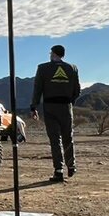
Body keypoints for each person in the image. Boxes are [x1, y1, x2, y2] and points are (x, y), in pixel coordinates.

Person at [30, 44, 81, 182]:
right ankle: (71, 166)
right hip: (66, 106)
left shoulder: (43, 68)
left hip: (50, 106)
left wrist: (34, 106)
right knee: (68, 137)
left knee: (55, 139)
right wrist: (70, 102)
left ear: (53, 54)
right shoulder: (72, 68)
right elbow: (77, 90)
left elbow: (38, 89)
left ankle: (58, 171)